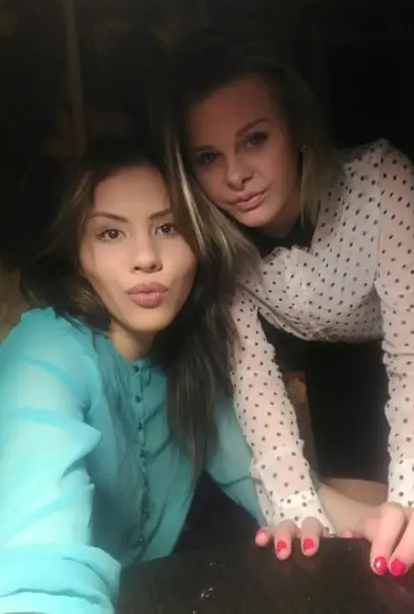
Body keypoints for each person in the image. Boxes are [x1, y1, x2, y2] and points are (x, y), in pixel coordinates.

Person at [0, 138, 372, 612]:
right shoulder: (43, 353)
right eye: (110, 233)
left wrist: (386, 524)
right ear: (78, 254)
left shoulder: (190, 360)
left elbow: (276, 486)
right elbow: (38, 572)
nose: (145, 257)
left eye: (168, 227)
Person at [164, 34, 414, 579]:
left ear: (295, 128)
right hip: (335, 366)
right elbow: (254, 380)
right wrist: (295, 507)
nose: (235, 176)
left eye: (254, 139)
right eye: (208, 158)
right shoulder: (215, 243)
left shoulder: (382, 182)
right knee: (354, 553)